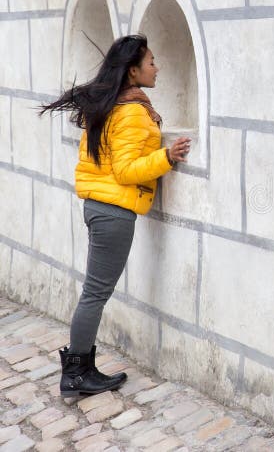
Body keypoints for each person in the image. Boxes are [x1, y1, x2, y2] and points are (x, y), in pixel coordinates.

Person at [40, 34, 191, 397]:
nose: (157, 67)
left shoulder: (109, 106)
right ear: (133, 70)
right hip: (113, 212)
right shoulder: (132, 112)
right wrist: (167, 158)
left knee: (93, 291)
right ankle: (76, 373)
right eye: (151, 62)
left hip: (99, 207)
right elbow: (125, 170)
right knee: (95, 293)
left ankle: (81, 369)